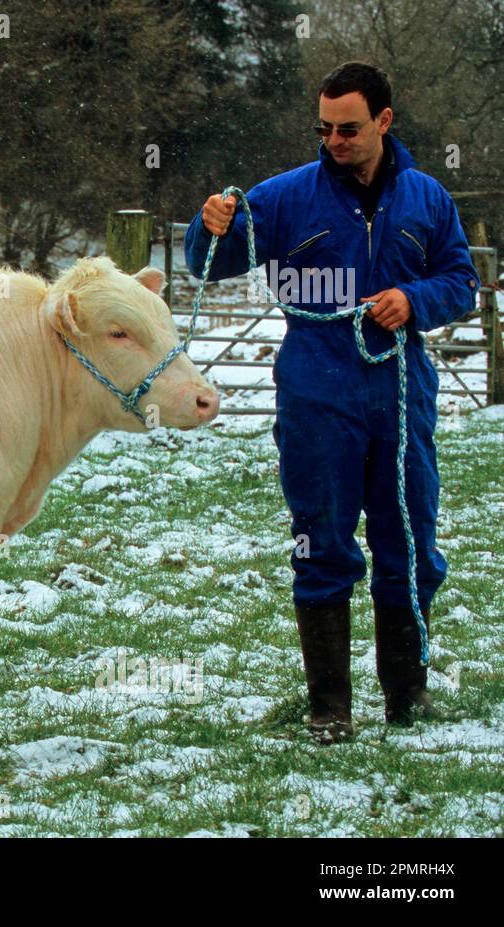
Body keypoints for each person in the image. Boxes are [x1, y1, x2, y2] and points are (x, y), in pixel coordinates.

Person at [184, 61, 480, 743]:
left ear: (384, 121)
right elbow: (212, 263)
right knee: (321, 542)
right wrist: (213, 225)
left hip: (402, 393)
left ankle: (407, 695)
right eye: (324, 128)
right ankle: (329, 707)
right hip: (317, 395)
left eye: (348, 128)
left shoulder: (429, 199)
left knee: (409, 538)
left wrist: (416, 300)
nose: (334, 140)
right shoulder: (286, 197)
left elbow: (460, 280)